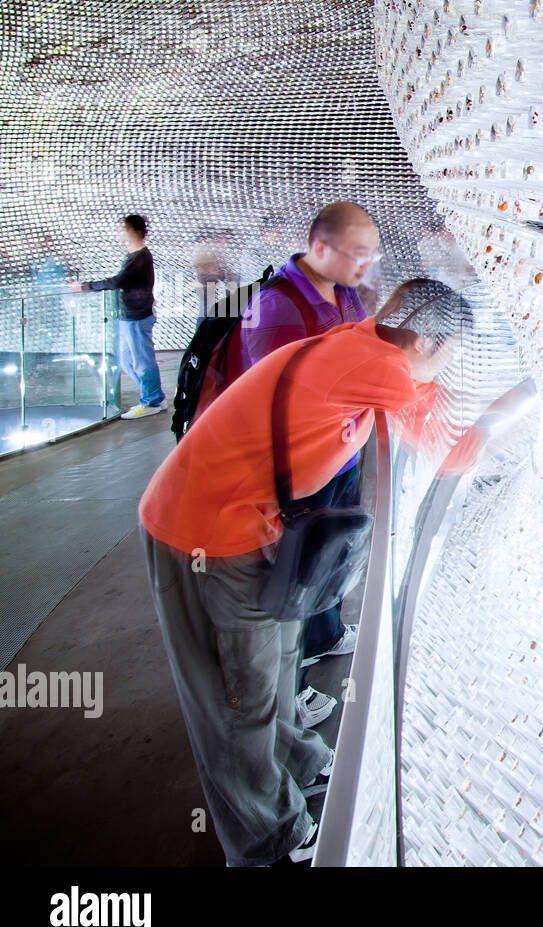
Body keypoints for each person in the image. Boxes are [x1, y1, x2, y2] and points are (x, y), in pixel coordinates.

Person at [137, 316, 491, 866]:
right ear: (425, 341)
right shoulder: (378, 364)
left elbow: (427, 396)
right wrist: (501, 425)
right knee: (238, 696)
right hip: (204, 533)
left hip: (250, 530)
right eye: (452, 352)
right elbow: (447, 439)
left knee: (276, 661)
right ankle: (267, 835)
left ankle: (296, 762)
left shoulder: (363, 342)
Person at [228, 202, 380, 731]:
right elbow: (275, 396)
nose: (367, 264)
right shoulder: (277, 306)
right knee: (295, 567)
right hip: (301, 465)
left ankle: (325, 634)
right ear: (320, 248)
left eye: (371, 253)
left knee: (329, 551)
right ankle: (289, 691)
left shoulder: (345, 294)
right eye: (358, 253)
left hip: (339, 455)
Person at [69, 214, 165, 418]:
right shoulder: (134, 255)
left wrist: (86, 287)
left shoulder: (140, 257)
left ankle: (152, 401)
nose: (119, 232)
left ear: (135, 231)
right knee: (127, 360)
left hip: (137, 317)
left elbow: (118, 281)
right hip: (130, 316)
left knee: (141, 360)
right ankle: (152, 396)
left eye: (123, 228)